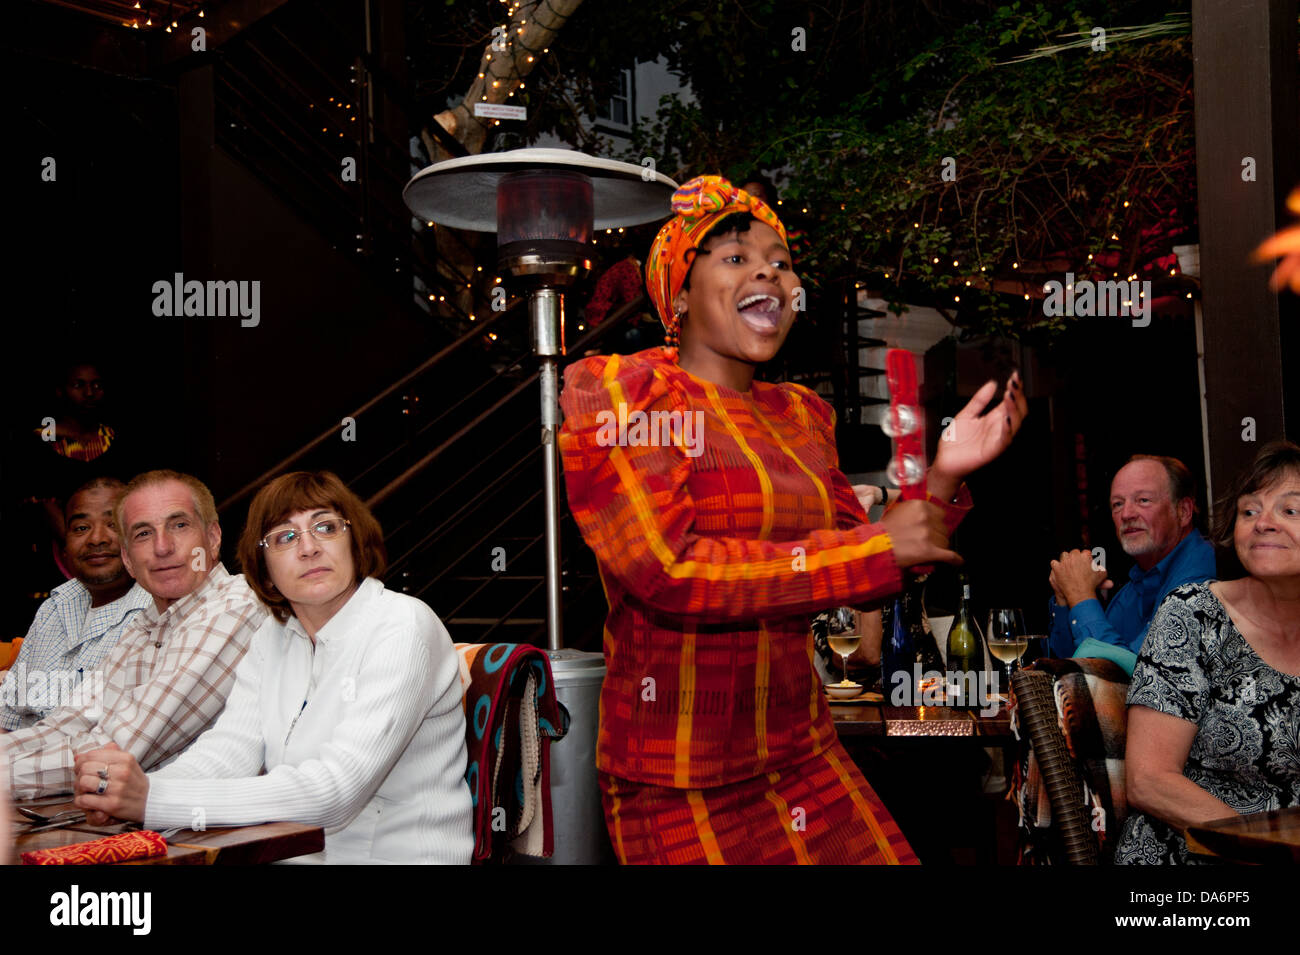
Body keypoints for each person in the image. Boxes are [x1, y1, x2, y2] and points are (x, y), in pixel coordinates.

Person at [558, 175, 1027, 864]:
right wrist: (866, 552)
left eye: (779, 261)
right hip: (680, 775)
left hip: (803, 753)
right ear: (679, 296)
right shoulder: (628, 392)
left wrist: (947, 471)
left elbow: (870, 568)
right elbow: (667, 569)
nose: (768, 274)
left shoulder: (800, 415)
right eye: (736, 257)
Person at [74, 471, 473, 864]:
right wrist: (133, 792)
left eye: (326, 527)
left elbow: (334, 792)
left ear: (355, 540)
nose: (308, 548)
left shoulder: (402, 627)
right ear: (262, 566)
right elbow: (232, 750)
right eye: (285, 537)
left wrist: (152, 800)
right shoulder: (275, 634)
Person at [0, 470, 265, 798]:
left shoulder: (234, 606)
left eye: (179, 525)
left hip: (218, 836)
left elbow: (123, 748)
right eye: (142, 534)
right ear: (128, 558)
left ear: (212, 538)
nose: (162, 547)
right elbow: (64, 725)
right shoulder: (146, 625)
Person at [1115, 441, 1300, 864]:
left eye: (1289, 511)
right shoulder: (1194, 614)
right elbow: (1148, 780)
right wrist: (1266, 850)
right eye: (1249, 511)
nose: (1263, 523)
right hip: (1196, 853)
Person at [0, 478, 151, 729]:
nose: (96, 539)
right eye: (81, 528)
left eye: (113, 524)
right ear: (65, 543)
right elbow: (7, 718)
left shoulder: (156, 614)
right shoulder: (53, 608)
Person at [1048, 455, 1216, 659]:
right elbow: (1071, 668)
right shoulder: (1139, 579)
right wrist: (1066, 596)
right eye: (1117, 504)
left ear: (1183, 511)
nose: (1126, 514)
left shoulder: (1201, 578)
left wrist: (1081, 596)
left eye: (1143, 500)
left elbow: (1129, 679)